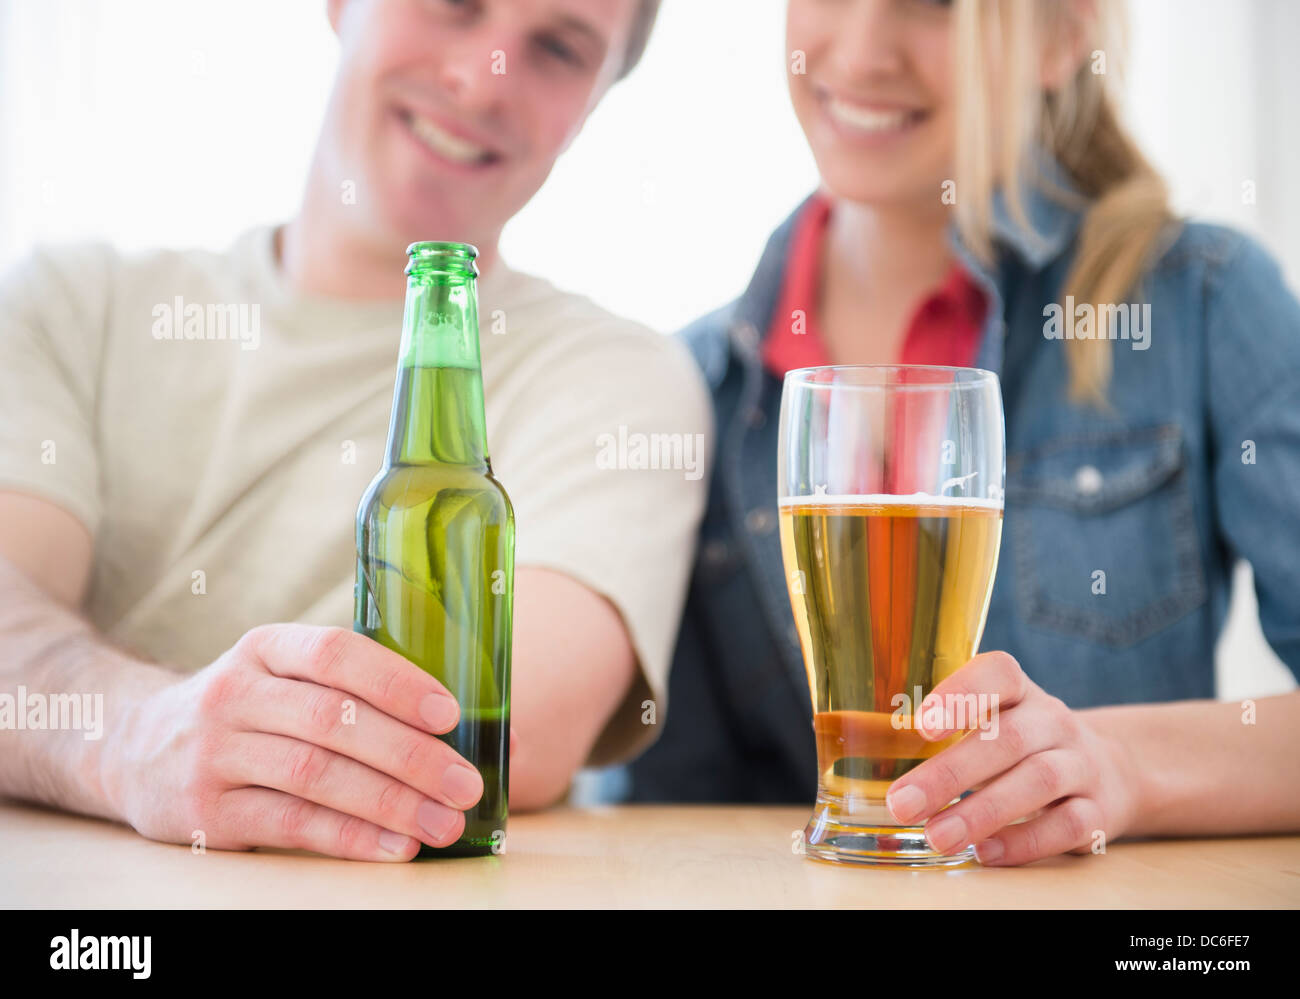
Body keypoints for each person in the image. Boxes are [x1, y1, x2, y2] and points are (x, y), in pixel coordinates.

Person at [0, 0, 713, 862]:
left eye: (559, 49)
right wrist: (133, 737)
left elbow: (491, 744)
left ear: (597, 100)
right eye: (454, 4)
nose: (478, 80)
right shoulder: (70, 306)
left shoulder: (618, 381)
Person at [628, 0, 1300, 866]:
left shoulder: (1205, 304)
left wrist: (1123, 765)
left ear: (1060, 37)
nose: (864, 53)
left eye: (932, 6)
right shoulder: (693, 387)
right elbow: (657, 815)